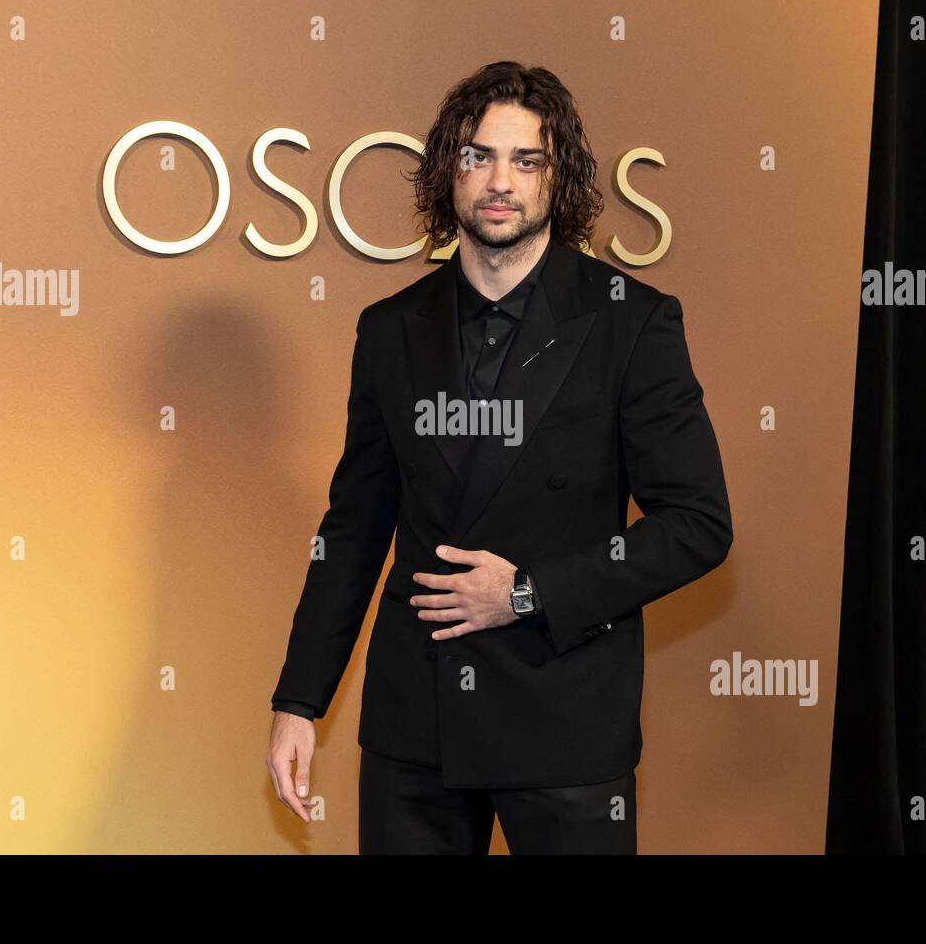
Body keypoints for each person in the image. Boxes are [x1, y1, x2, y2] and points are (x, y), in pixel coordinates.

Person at [266, 61, 732, 854]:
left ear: (561, 178)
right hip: (418, 723)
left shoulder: (632, 323)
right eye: (477, 156)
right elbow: (353, 529)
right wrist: (300, 700)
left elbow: (697, 525)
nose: (499, 181)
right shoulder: (390, 329)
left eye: (527, 161)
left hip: (566, 722)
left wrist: (525, 593)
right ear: (448, 170)